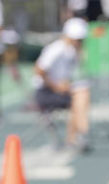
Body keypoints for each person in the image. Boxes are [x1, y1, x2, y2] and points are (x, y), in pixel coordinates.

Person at [33, 17, 90, 150]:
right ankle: (79, 133)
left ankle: (75, 136)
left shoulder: (71, 51)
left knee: (81, 93)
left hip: (58, 90)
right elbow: (38, 70)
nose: (80, 42)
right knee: (80, 96)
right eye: (78, 39)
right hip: (45, 92)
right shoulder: (56, 49)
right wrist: (56, 86)